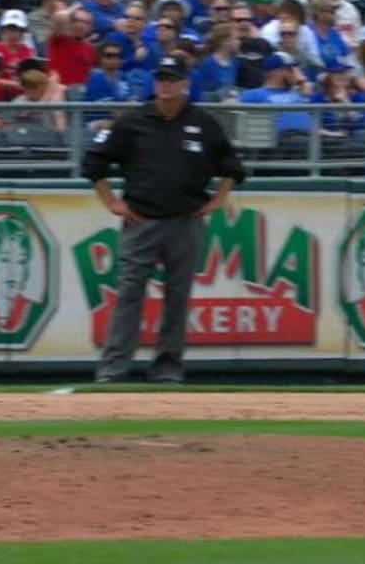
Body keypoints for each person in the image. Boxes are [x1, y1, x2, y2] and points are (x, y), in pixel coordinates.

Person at [81, 59, 247, 384]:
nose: (165, 85)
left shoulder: (203, 122)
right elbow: (94, 163)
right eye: (161, 79)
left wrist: (217, 200)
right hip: (141, 220)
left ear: (185, 82)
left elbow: (233, 168)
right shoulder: (133, 121)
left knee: (177, 296)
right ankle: (113, 368)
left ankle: (168, 366)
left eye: (172, 79)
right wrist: (112, 202)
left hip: (184, 221)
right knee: (129, 293)